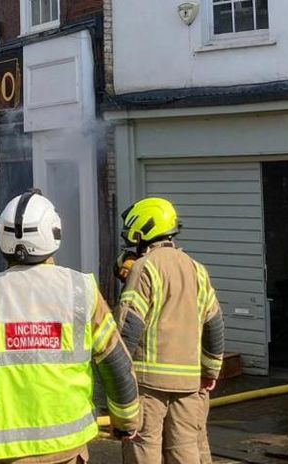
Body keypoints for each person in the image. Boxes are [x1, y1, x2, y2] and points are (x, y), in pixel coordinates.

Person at [0, 190, 139, 463]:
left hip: (2, 452)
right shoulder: (81, 291)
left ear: (1, 237)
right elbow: (116, 363)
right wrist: (125, 420)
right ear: (54, 233)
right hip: (65, 448)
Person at [116, 197, 225, 464]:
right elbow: (214, 325)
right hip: (189, 385)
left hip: (148, 387)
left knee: (144, 449)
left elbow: (128, 328)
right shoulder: (197, 269)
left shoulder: (144, 268)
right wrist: (210, 372)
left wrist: (116, 384)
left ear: (143, 231)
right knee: (186, 451)